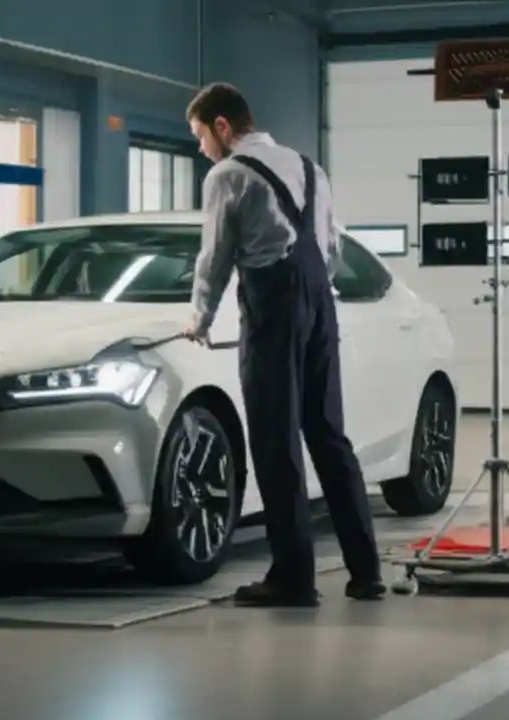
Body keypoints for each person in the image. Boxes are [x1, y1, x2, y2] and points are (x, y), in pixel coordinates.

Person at [183, 82, 385, 607]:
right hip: (320, 300)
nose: (201, 147)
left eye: (201, 136)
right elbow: (333, 243)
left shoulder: (227, 174)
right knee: (329, 436)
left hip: (274, 303)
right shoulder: (308, 167)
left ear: (222, 127)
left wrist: (200, 317)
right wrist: (313, 289)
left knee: (276, 441)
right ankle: (366, 572)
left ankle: (294, 579)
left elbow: (215, 256)